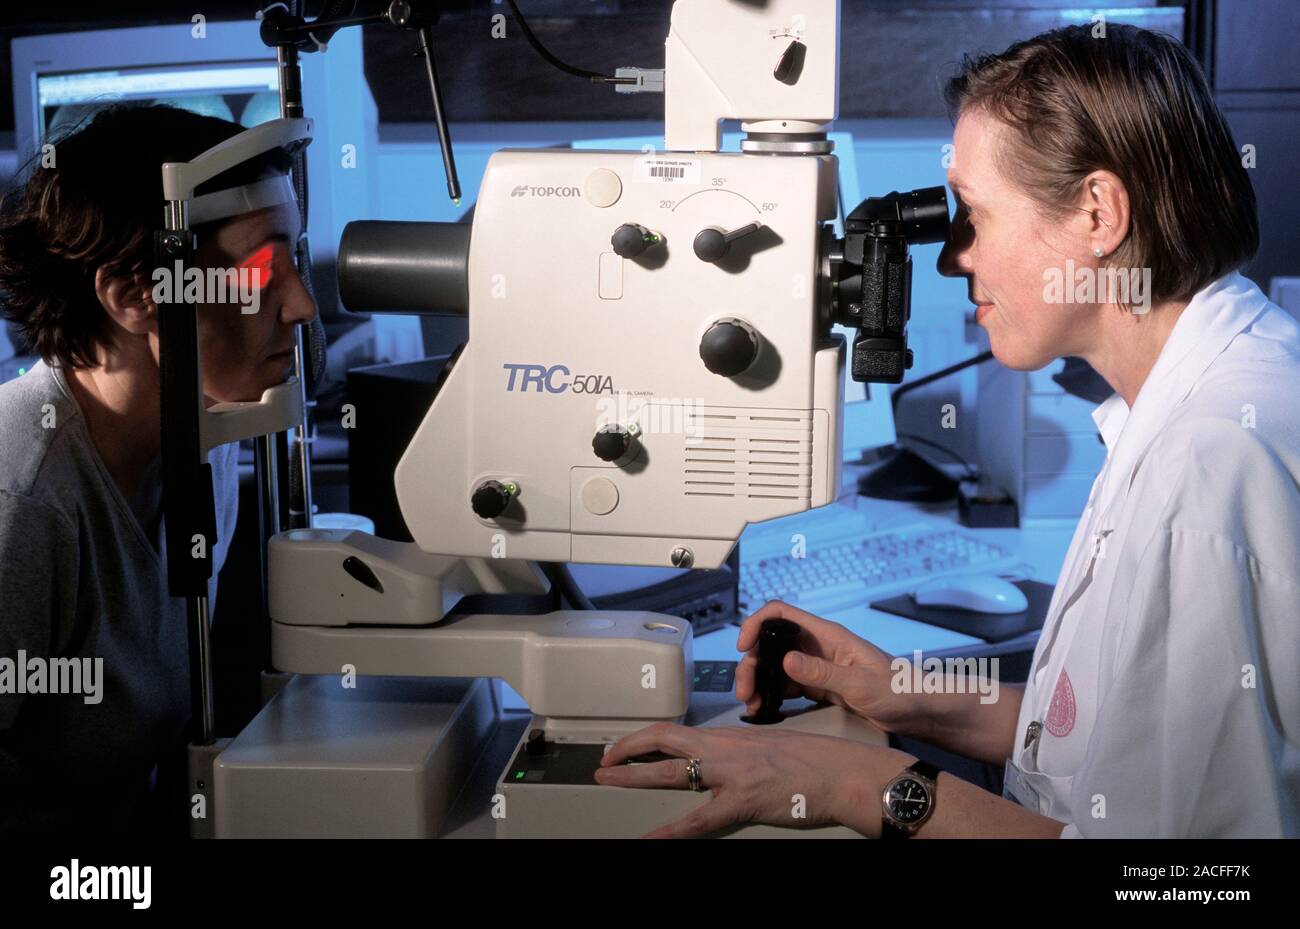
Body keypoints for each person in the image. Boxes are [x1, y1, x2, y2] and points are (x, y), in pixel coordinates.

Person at [593, 24, 1300, 838]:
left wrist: (861, 783)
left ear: (1098, 213)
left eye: (971, 214)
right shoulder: (1197, 394)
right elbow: (1113, 739)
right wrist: (904, 690)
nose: (953, 257)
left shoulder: (1210, 465)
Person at [0, 104, 317, 835]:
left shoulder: (210, 433)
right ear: (135, 296)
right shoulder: (25, 500)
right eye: (263, 270)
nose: (300, 305)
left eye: (294, 261)